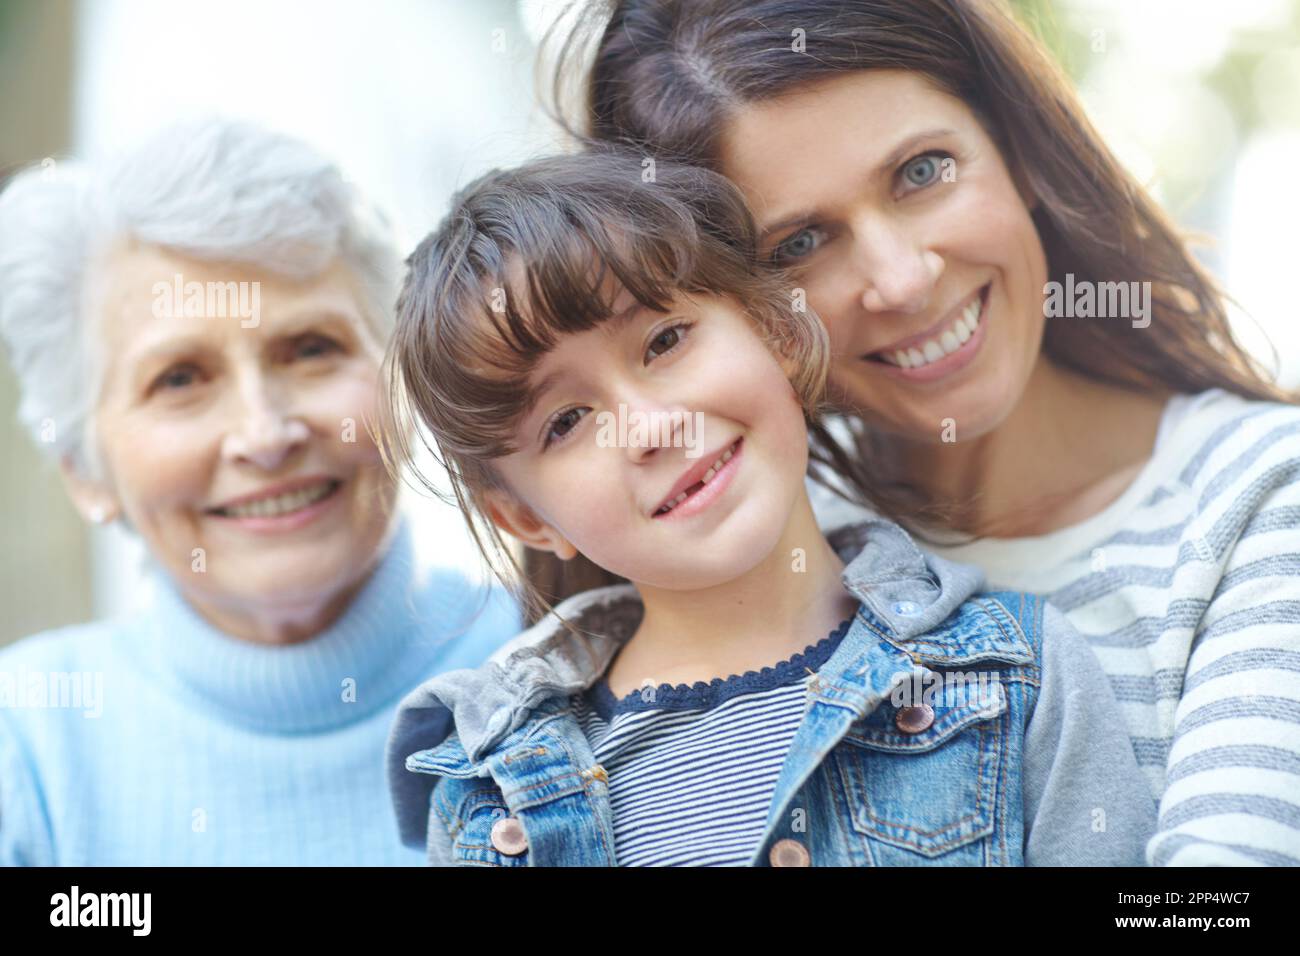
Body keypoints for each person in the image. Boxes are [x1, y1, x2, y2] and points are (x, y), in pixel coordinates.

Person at [563, 0, 1300, 866]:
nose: (902, 281)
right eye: (800, 242)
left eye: (923, 172)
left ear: (1017, 148)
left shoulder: (1257, 498)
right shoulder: (740, 559)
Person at [382, 146, 1154, 866]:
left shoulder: (1011, 676)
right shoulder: (491, 798)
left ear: (776, 330)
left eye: (665, 341)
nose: (653, 427)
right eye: (567, 422)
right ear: (524, 519)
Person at [0, 118, 520, 865]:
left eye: (312, 348)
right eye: (179, 378)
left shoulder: (584, 666)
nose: (265, 432)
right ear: (85, 474)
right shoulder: (27, 753)